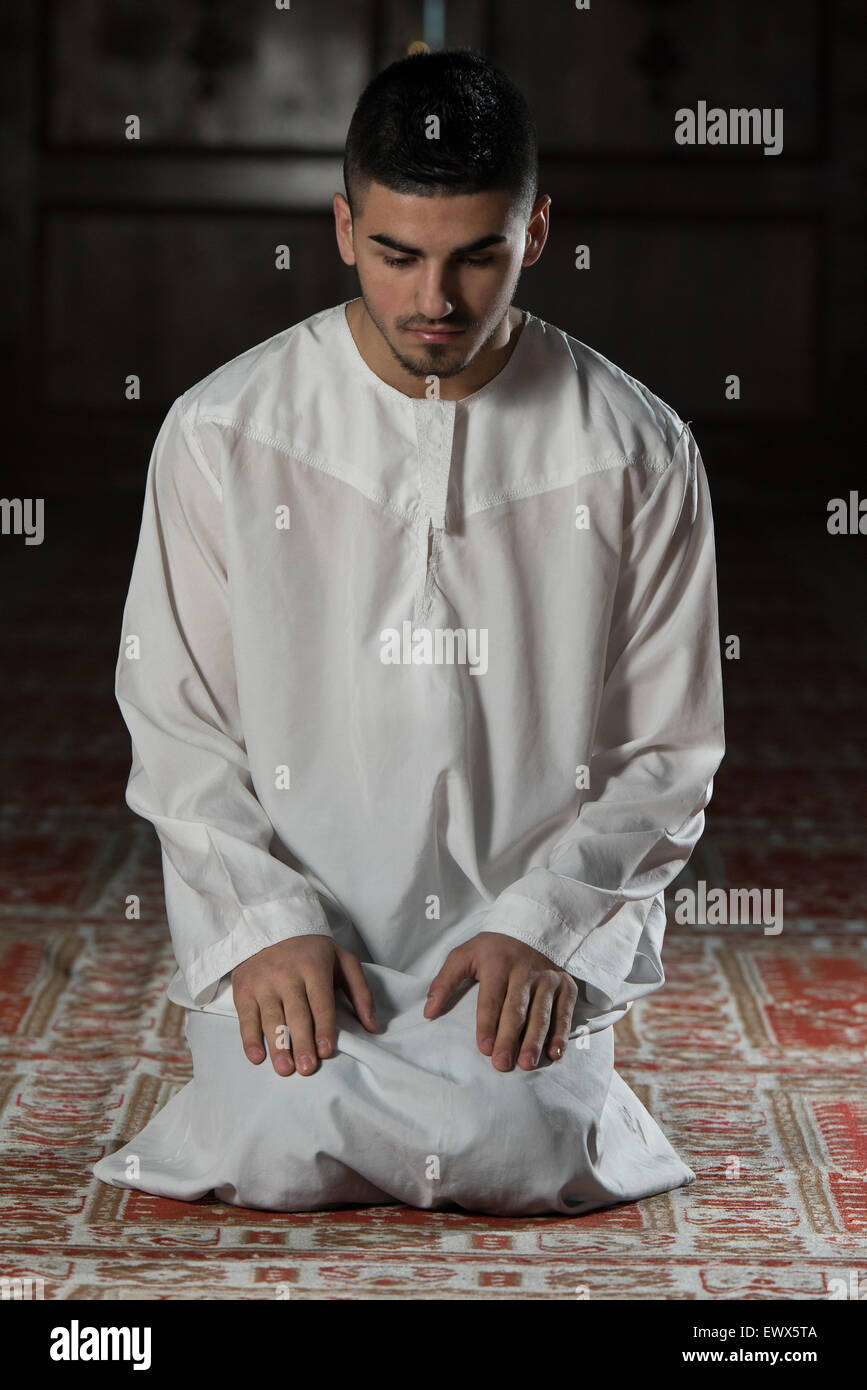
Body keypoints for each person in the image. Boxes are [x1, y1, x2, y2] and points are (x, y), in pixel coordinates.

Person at [92, 49, 725, 1216]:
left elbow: (669, 753)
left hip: (516, 935)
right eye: (398, 253)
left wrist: (546, 925)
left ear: (536, 232)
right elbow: (176, 721)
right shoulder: (221, 432)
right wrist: (267, 922)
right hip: (306, 929)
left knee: (526, 1141)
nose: (435, 298)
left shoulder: (638, 451)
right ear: (342, 226)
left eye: (477, 254)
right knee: (279, 1138)